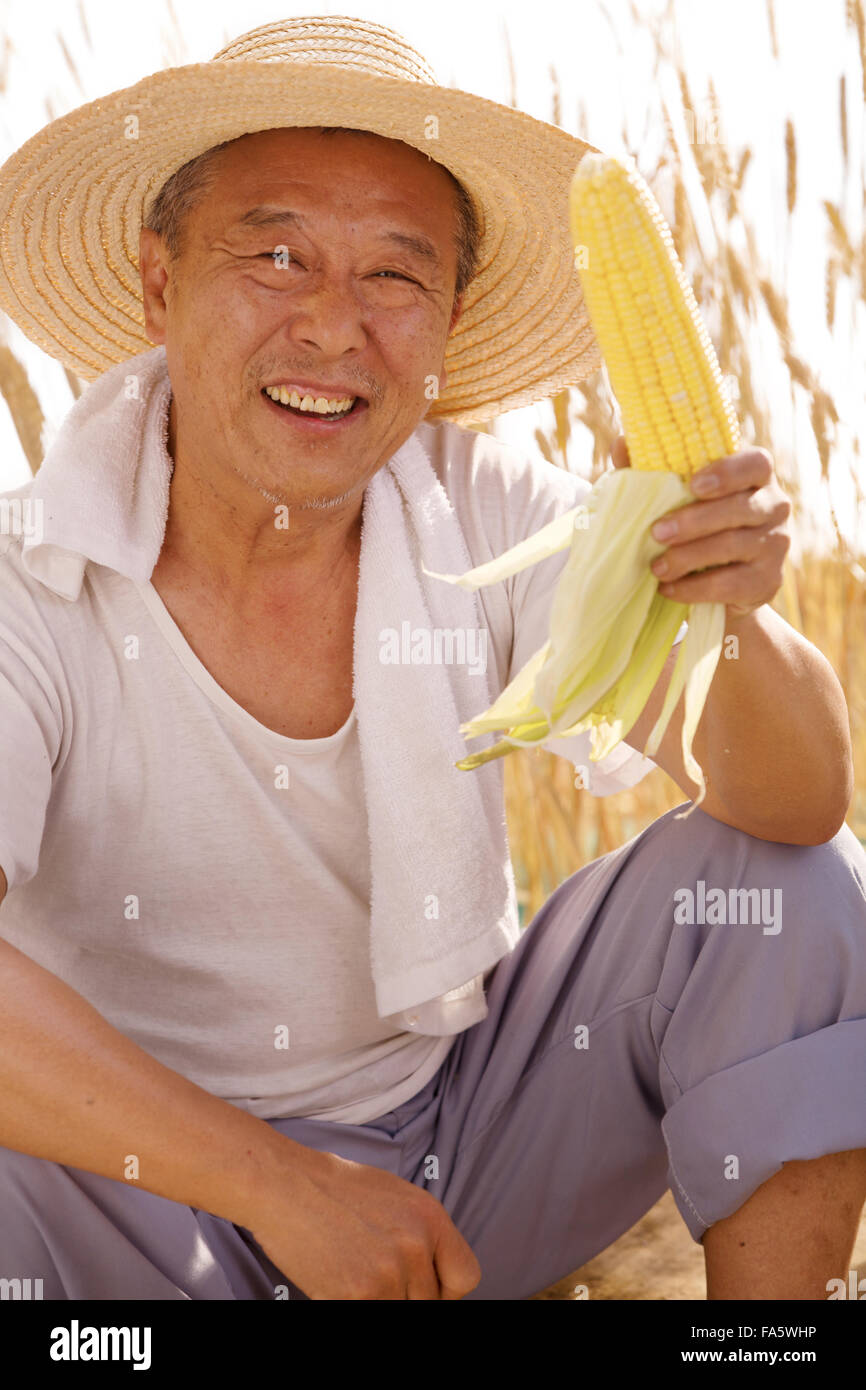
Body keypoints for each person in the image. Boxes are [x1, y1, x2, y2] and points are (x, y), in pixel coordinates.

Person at [0, 16, 863, 1302]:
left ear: (448, 319)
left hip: (451, 1176)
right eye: (276, 253)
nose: (334, 328)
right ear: (155, 282)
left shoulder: (489, 508)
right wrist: (281, 1189)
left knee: (779, 888)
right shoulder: (29, 574)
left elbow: (795, 804)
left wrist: (729, 609)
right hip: (128, 1203)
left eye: (394, 276)